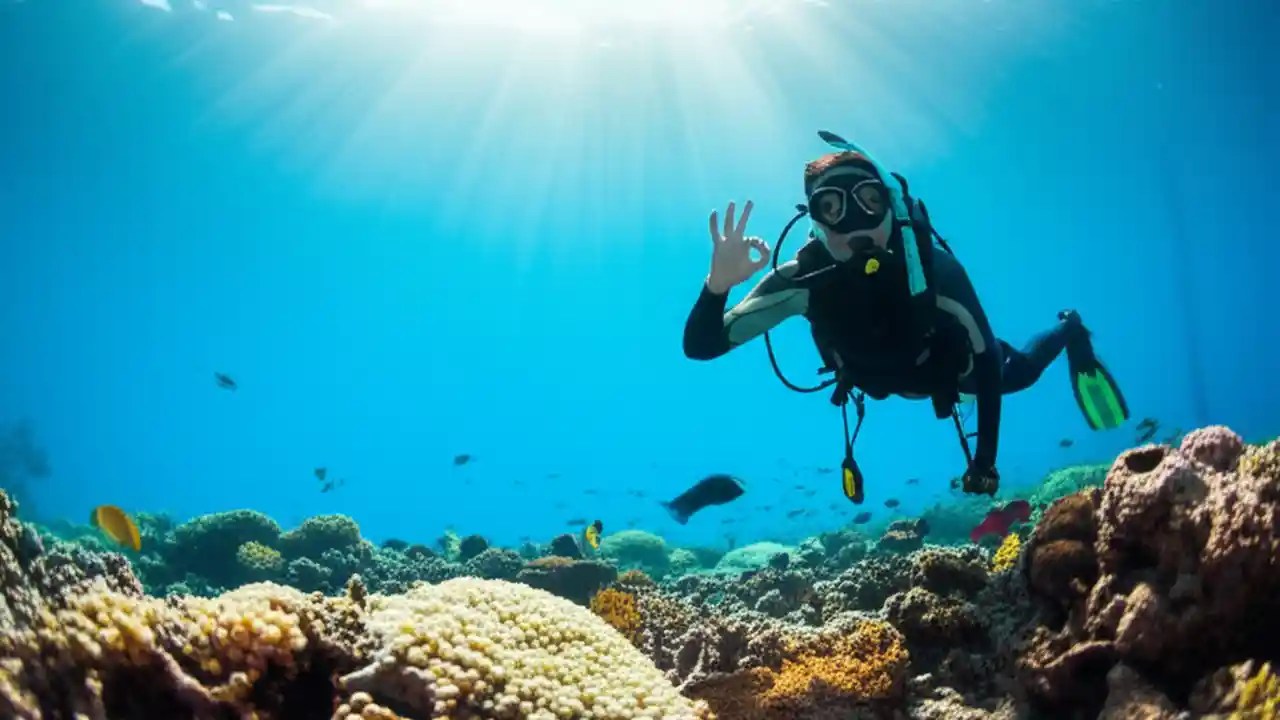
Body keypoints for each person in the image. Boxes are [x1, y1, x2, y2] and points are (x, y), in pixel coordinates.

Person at [682, 131, 1129, 498]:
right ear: (815, 222)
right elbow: (701, 347)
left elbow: (989, 362)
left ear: (891, 208)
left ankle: (1070, 330)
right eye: (832, 207)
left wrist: (984, 462)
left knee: (1024, 373)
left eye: (868, 201)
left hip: (952, 375)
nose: (854, 220)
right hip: (880, 378)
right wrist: (717, 285)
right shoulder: (804, 280)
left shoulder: (935, 273)